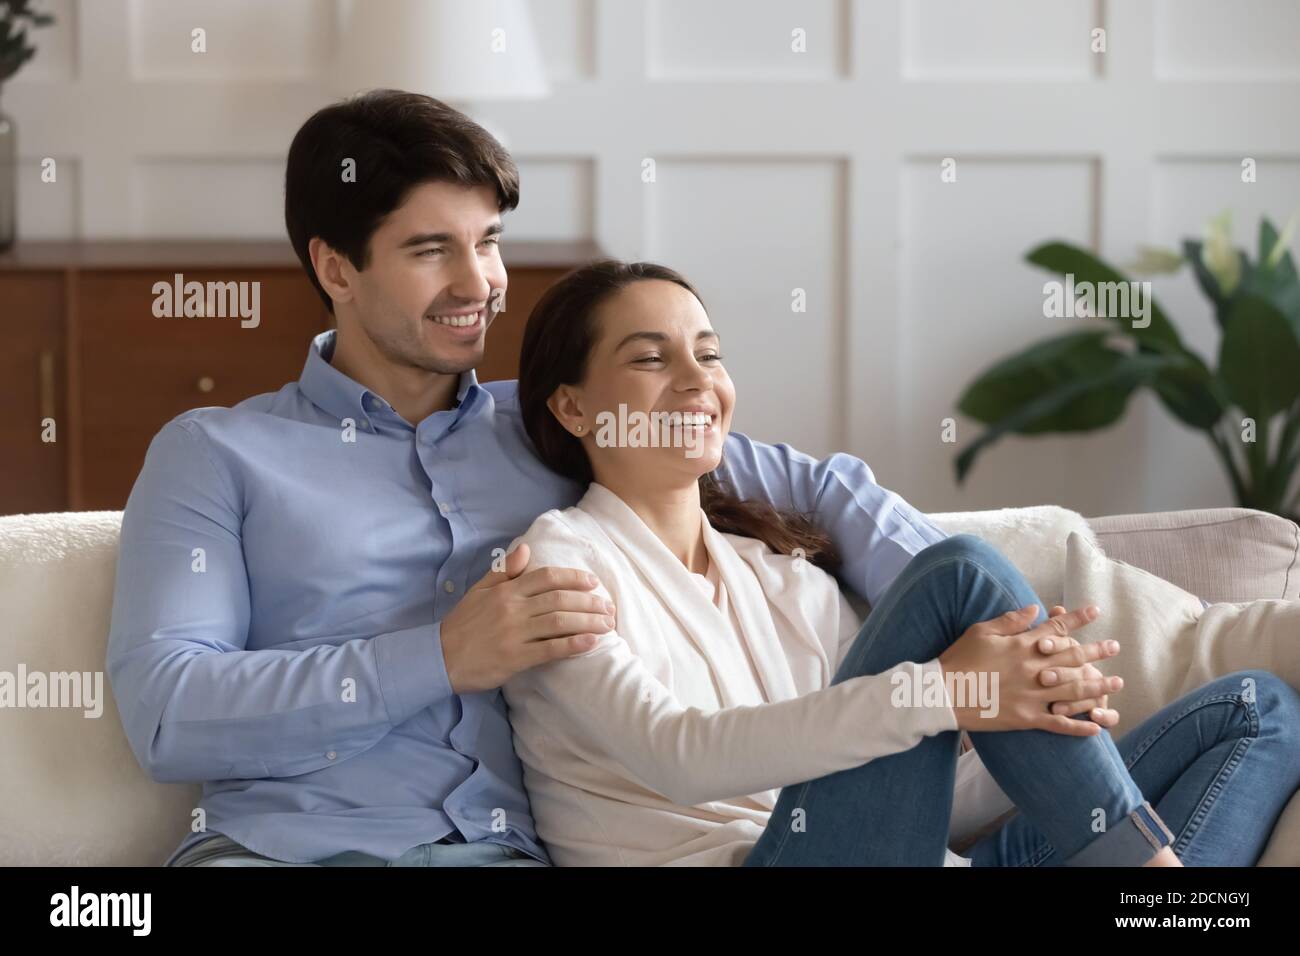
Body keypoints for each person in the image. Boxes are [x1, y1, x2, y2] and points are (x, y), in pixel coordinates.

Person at [106, 89, 1093, 868]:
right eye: (429, 249)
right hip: (279, 852)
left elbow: (822, 489)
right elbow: (169, 712)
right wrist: (440, 654)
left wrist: (986, 638)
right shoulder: (215, 453)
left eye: (487, 242)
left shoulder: (557, 420)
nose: (478, 281)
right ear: (335, 265)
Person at [501, 258, 1300, 866]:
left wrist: (1018, 709)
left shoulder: (781, 575)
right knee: (960, 574)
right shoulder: (556, 567)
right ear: (571, 405)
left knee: (1257, 709)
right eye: (651, 360)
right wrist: (946, 691)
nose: (696, 383)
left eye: (708, 355)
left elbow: (909, 777)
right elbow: (677, 756)